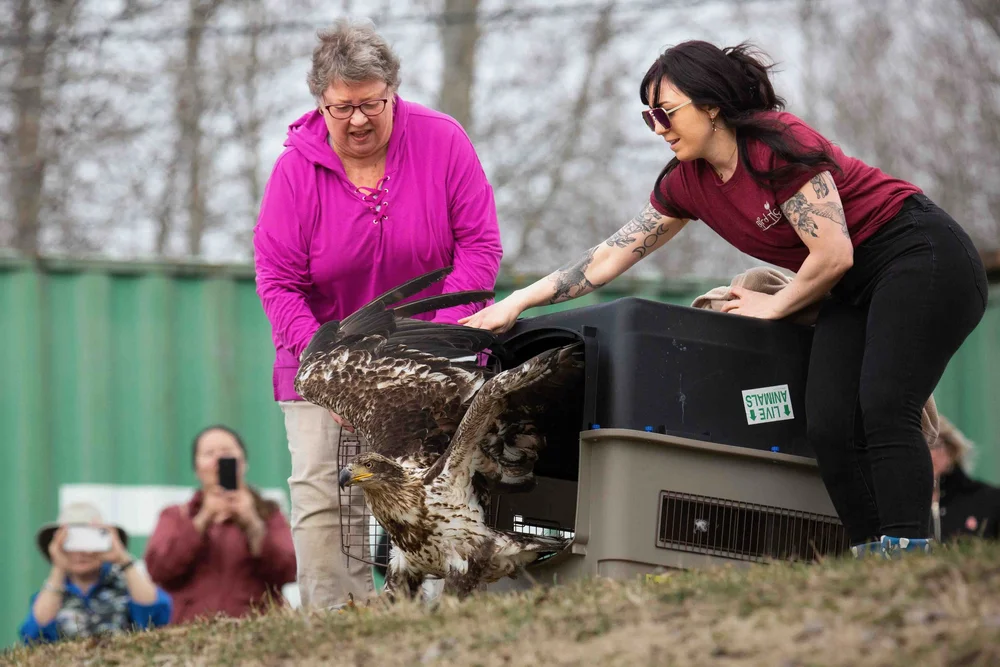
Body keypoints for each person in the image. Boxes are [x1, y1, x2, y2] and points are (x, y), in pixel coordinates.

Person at [462, 40, 988, 559]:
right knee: (829, 423)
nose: (659, 129)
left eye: (666, 113)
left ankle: (907, 554)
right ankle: (870, 558)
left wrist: (775, 306)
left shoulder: (775, 146)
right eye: (649, 119)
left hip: (919, 256)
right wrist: (518, 302)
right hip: (850, 289)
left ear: (711, 105)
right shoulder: (686, 183)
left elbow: (833, 253)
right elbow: (606, 258)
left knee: (882, 405)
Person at [253, 18, 501, 609]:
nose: (358, 119)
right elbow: (278, 279)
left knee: (433, 488)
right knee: (324, 494)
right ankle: (335, 626)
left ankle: (444, 612)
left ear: (394, 91)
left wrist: (427, 353)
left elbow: (480, 250)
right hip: (323, 360)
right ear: (321, 102)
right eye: (342, 108)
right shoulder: (294, 171)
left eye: (372, 103)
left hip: (432, 355)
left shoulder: (443, 141)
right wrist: (334, 370)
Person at [144, 425, 297, 624]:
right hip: (190, 630)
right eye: (209, 454)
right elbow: (159, 570)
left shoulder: (268, 513)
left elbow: (290, 570)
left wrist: (252, 525)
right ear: (197, 468)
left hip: (257, 630)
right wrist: (203, 519)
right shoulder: (176, 515)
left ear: (243, 463)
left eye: (226, 452)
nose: (218, 460)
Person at [20, 502, 171, 643]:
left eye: (89, 541)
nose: (82, 552)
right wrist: (58, 567)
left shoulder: (126, 586)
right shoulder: (52, 593)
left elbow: (158, 615)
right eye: (71, 542)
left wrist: (123, 559)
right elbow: (33, 636)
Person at [931, 416, 1000, 541]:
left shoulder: (990, 500)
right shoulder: (897, 505)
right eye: (915, 445)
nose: (925, 453)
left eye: (932, 444)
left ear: (951, 450)